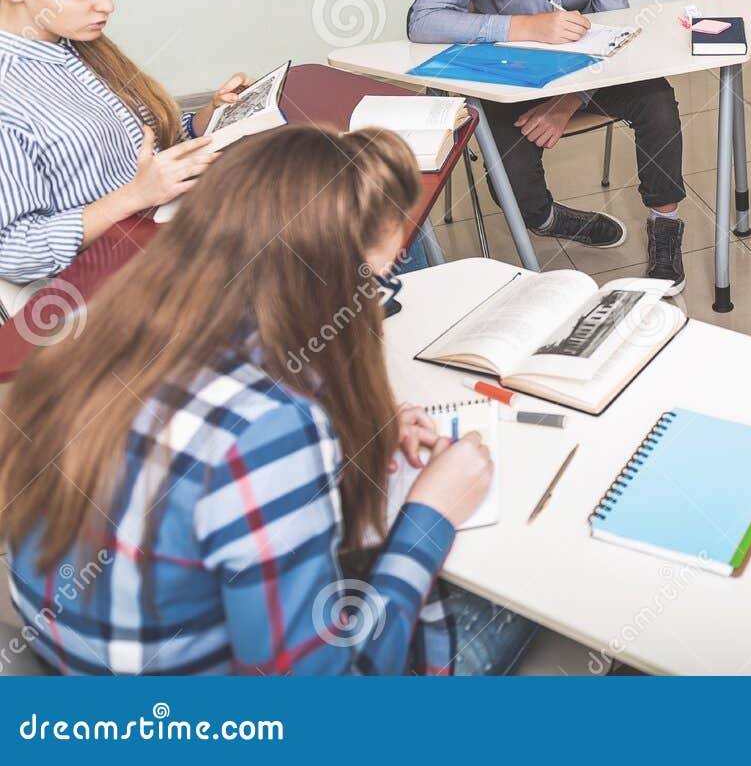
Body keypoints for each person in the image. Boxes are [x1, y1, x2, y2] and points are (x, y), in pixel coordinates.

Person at [0, 125, 538, 675]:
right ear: (323, 282)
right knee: (524, 591)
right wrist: (430, 516)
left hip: (67, 668)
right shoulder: (269, 430)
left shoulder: (97, 330)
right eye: (372, 284)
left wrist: (359, 428)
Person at [408, 0, 686, 291]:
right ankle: (551, 218)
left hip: (577, 77)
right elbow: (424, 18)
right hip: (504, 80)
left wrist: (566, 104)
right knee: (513, 182)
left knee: (656, 98)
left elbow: (612, 33)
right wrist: (525, 27)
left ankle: (665, 225)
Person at [0, 0, 248, 284]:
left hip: (167, 231)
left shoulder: (80, 46)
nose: (107, 5)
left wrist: (208, 116)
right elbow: (14, 252)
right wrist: (134, 196)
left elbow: (140, 150)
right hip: (111, 279)